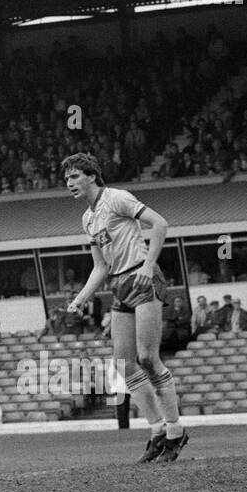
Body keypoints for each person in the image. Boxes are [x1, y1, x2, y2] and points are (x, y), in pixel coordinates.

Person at [61, 152, 187, 463]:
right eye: (66, 179)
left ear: (91, 176)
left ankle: (176, 431)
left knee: (147, 357)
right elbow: (100, 266)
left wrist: (149, 264)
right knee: (123, 365)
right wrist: (80, 299)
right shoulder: (87, 218)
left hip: (142, 278)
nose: (69, 183)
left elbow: (160, 223)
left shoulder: (116, 198)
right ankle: (158, 430)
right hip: (119, 284)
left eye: (74, 176)